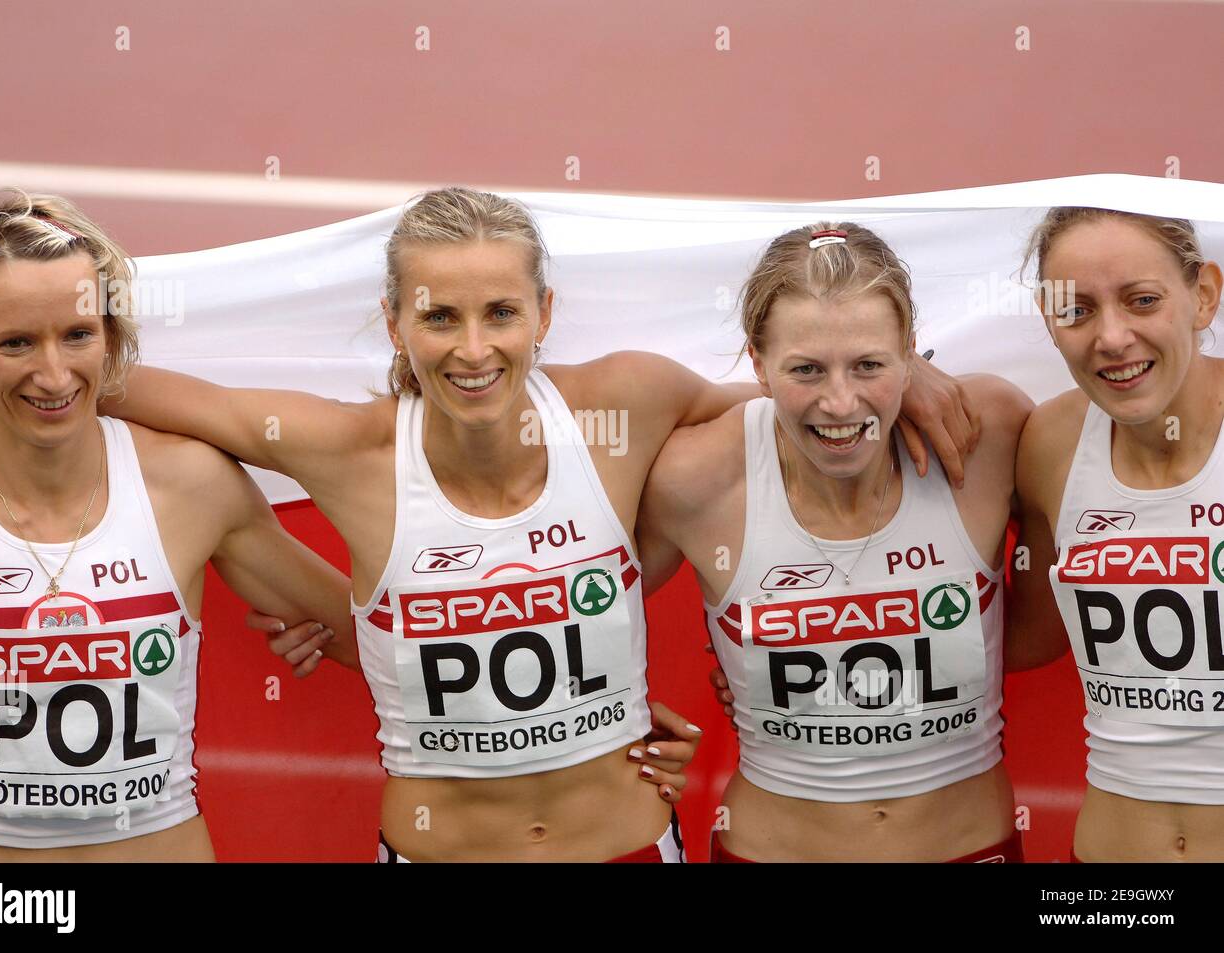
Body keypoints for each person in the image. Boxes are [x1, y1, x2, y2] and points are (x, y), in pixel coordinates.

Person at [101, 188, 977, 861]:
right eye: (439, 316)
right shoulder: (345, 447)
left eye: (501, 313)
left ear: (545, 314)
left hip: (629, 846)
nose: (473, 349)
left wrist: (915, 380)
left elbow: (804, 401)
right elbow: (99, 376)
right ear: (395, 322)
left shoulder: (627, 403)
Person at [0, 191, 356, 861]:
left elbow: (376, 639)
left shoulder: (191, 485)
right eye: (15, 343)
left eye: (78, 335)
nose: (53, 371)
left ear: (114, 339)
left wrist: (319, 627)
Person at [641, 222, 1033, 861]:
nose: (840, 401)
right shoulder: (698, 477)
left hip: (968, 845)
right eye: (806, 370)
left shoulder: (988, 434)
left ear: (911, 348)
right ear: (757, 363)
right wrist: (607, 717)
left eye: (869, 365)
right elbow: (575, 587)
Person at [1008, 208, 1224, 862]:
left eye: (1143, 300)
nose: (1112, 336)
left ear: (1204, 295)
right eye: (1076, 311)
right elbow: (1021, 640)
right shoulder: (1047, 444)